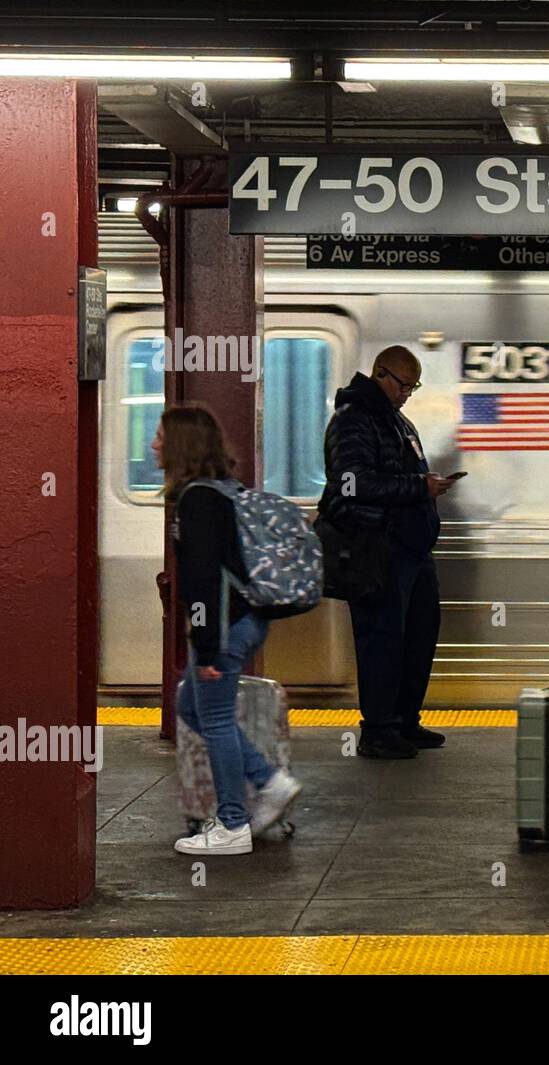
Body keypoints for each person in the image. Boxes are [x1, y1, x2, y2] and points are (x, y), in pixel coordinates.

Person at [154, 404, 301, 856]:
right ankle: (269, 781)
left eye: (161, 436)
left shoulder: (198, 500)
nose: (154, 444)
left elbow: (203, 580)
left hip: (224, 626)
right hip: (245, 620)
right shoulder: (225, 490)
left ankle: (233, 825)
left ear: (181, 445)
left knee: (214, 720)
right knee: (191, 707)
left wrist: (207, 647)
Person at [318, 345, 457, 759]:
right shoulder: (353, 421)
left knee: (417, 635)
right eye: (403, 385)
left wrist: (424, 483)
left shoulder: (397, 422)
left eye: (413, 388)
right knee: (382, 639)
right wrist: (420, 488)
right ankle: (378, 730)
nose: (407, 394)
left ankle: (404, 721)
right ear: (380, 374)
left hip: (410, 548)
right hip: (376, 548)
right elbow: (351, 482)